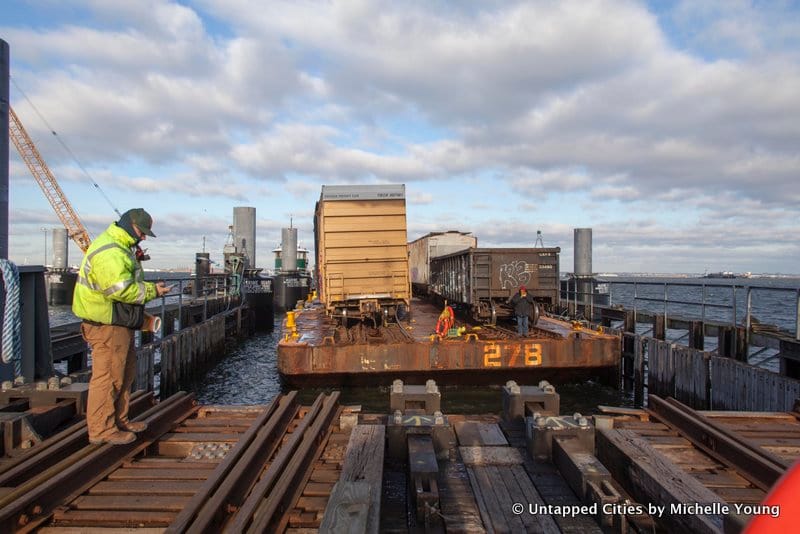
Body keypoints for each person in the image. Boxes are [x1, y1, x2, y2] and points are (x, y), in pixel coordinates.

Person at [72, 208, 172, 445]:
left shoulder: (121, 248)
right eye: (141, 232)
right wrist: (152, 291)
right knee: (108, 377)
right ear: (128, 224)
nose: (143, 237)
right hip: (107, 323)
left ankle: (120, 420)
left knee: (123, 373)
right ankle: (102, 430)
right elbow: (120, 289)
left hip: (117, 322)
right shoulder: (111, 251)